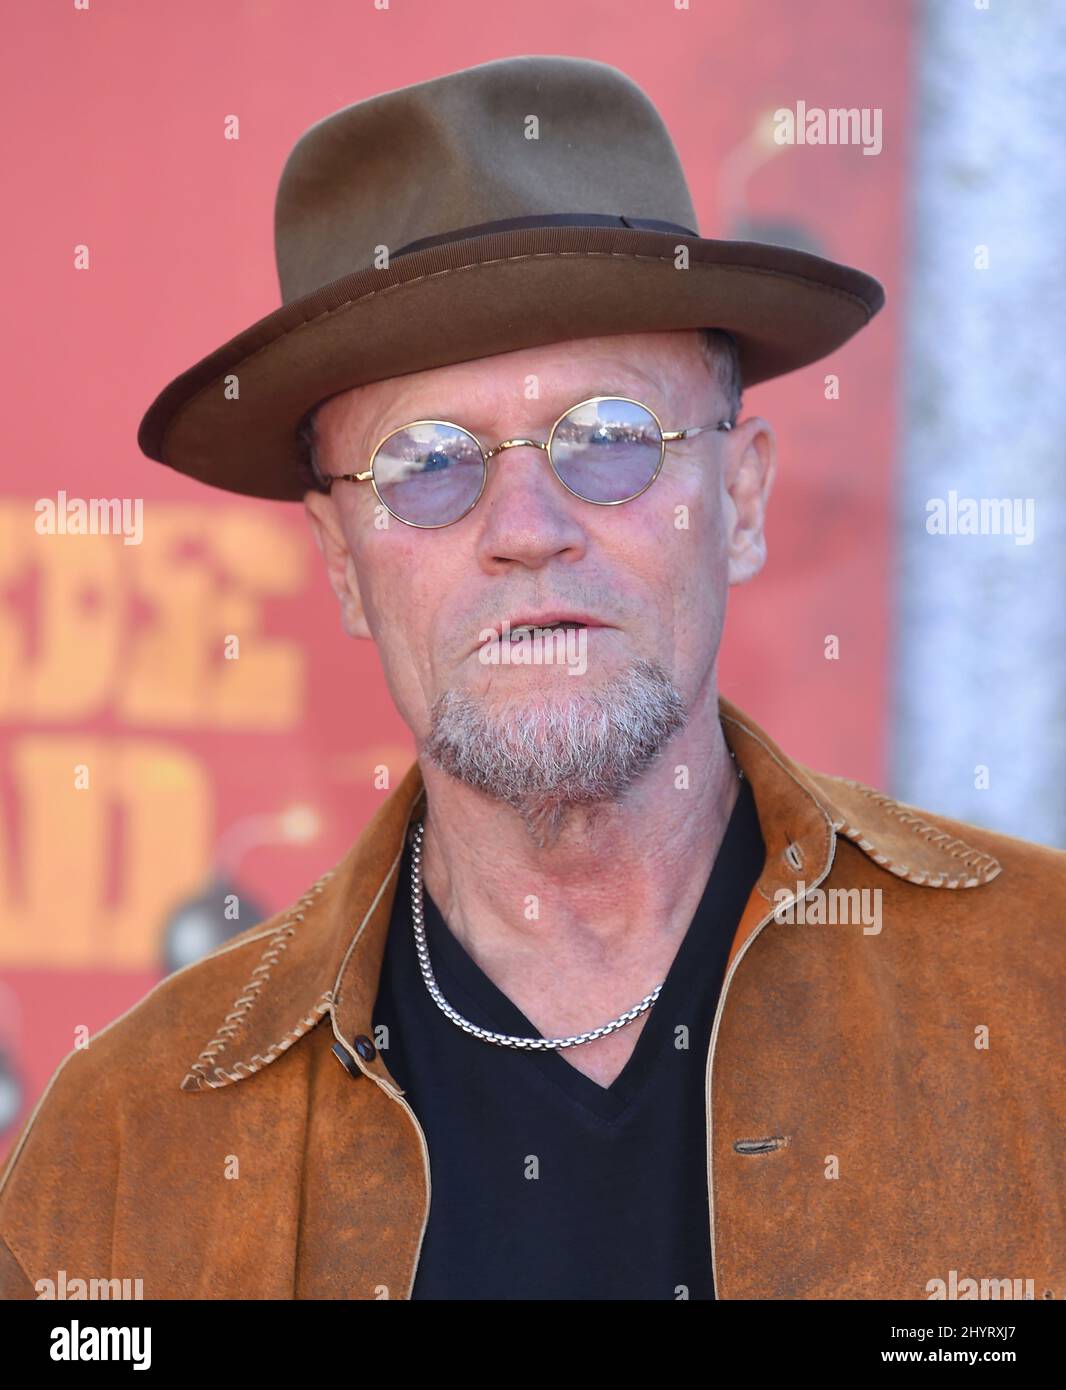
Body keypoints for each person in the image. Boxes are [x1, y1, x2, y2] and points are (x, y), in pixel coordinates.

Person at [2, 55, 1062, 1303]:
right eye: (427, 462)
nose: (526, 524)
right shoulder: (122, 1155)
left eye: (606, 437)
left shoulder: (1039, 995)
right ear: (341, 565)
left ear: (739, 495)